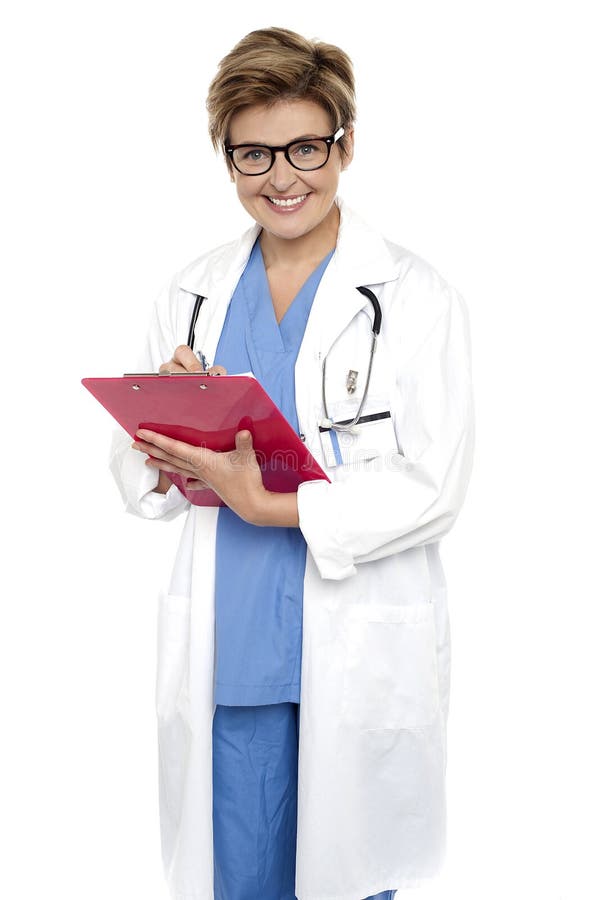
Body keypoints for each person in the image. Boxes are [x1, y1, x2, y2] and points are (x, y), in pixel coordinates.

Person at [110, 26, 474, 900]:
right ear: (225, 158)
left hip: (354, 636)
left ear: (345, 145)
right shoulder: (191, 293)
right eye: (253, 154)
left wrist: (276, 507)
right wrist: (162, 437)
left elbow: (437, 485)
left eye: (305, 147)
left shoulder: (412, 296)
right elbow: (139, 484)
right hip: (231, 641)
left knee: (349, 874)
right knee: (240, 880)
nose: (281, 177)